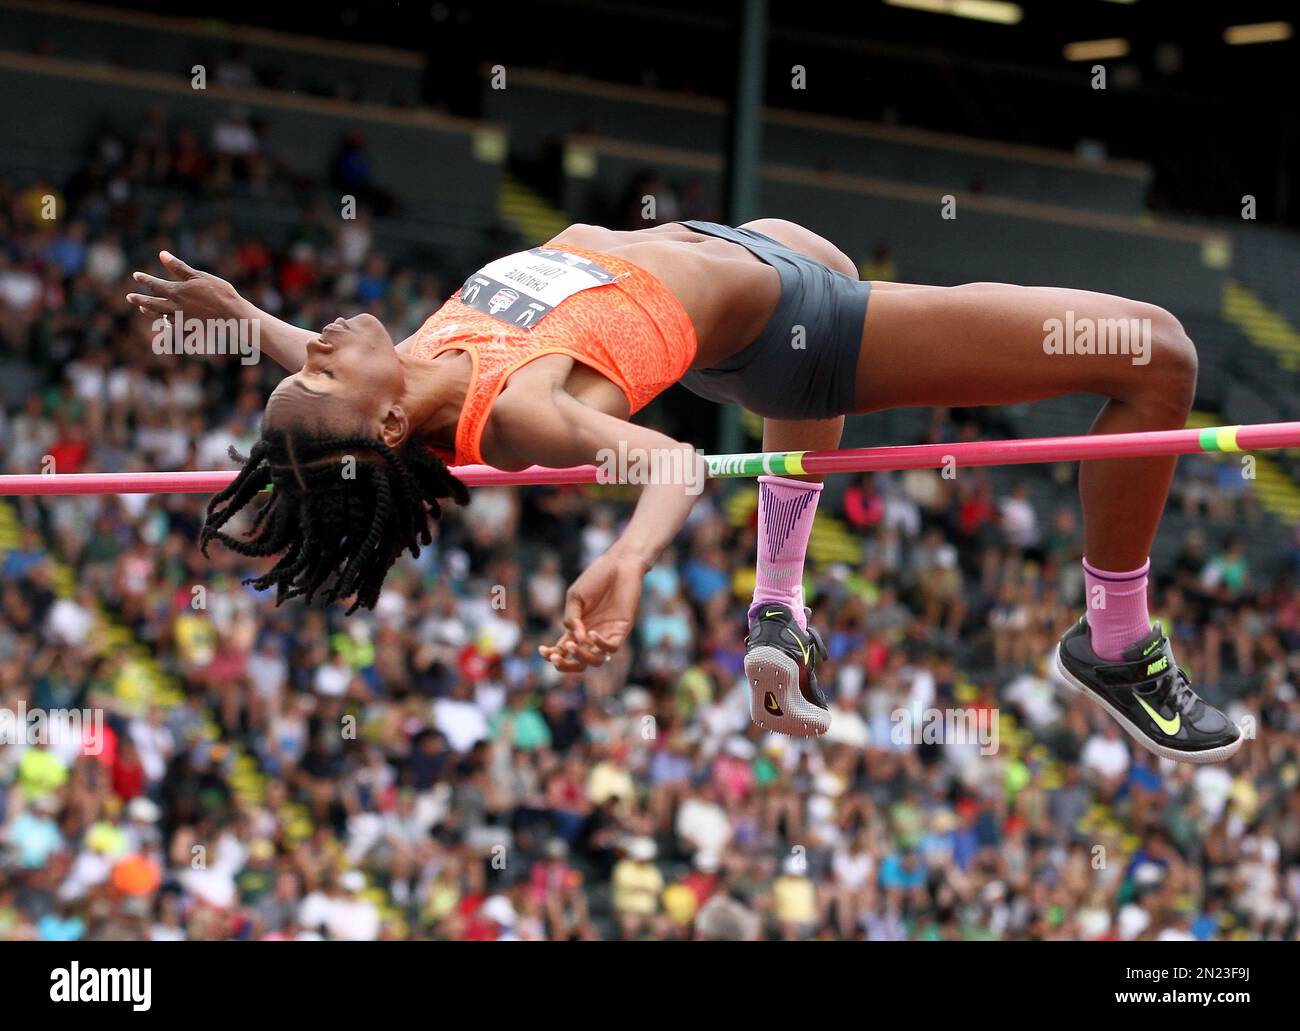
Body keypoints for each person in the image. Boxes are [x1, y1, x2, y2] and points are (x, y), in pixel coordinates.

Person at [126, 218, 1241, 762]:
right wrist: (628, 558)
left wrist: (246, 320)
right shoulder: (510, 414)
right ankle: (1115, 640)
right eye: (318, 363)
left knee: (825, 259)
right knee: (1156, 356)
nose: (315, 342)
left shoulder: (402, 372)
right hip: (791, 332)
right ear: (377, 421)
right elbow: (668, 461)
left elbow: (320, 407)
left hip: (748, 258)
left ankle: (779, 604)